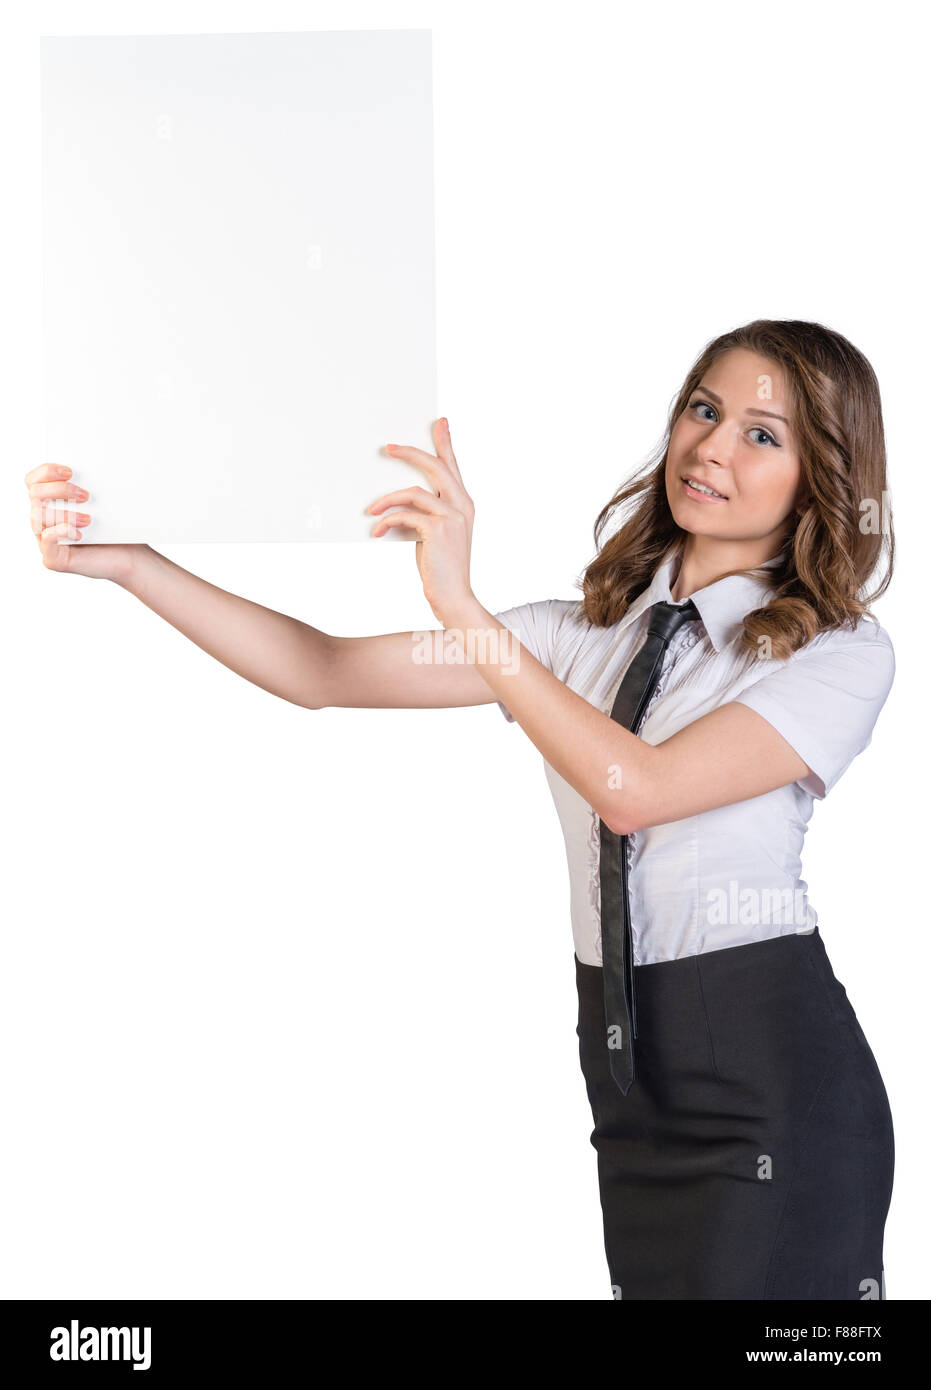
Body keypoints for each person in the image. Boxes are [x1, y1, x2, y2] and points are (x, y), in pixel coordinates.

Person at [26, 317, 895, 1300]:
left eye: (762, 434)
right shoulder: (574, 640)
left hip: (772, 1086)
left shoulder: (837, 655)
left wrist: (468, 613)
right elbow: (323, 670)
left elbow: (634, 789)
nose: (710, 448)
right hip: (628, 1083)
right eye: (704, 408)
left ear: (821, 475)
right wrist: (133, 561)